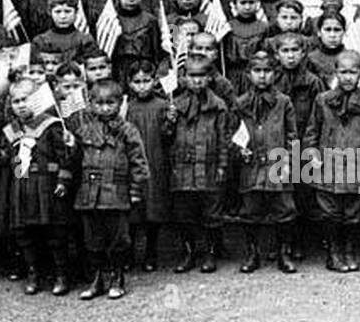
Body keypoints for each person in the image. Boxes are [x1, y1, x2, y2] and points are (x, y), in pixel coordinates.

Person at [67, 79, 148, 300]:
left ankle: (117, 277)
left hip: (116, 194)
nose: (104, 108)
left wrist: (135, 191)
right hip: (89, 195)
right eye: (99, 103)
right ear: (91, 103)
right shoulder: (83, 131)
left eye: (110, 103)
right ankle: (98, 279)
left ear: (120, 103)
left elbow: (139, 163)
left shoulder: (127, 131)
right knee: (93, 241)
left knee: (118, 240)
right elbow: (74, 162)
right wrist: (70, 146)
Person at [303, 49, 360, 272]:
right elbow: (311, 132)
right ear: (335, 72)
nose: (347, 77)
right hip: (328, 164)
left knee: (353, 212)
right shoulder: (323, 100)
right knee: (330, 211)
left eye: (353, 72)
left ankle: (349, 250)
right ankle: (333, 253)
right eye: (343, 72)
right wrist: (312, 156)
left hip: (355, 165)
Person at [0, 76, 73, 296]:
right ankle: (33, 274)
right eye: (16, 101)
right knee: (25, 233)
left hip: (46, 185)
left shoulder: (51, 125)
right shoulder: (10, 130)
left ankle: (61, 275)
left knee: (54, 232)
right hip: (22, 185)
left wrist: (63, 179)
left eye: (26, 99)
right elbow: (8, 159)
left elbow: (65, 157)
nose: (21, 105)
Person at [164, 55, 231, 273]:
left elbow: (223, 139)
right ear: (183, 78)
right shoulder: (175, 105)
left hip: (208, 167)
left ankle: (210, 252)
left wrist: (222, 166)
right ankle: (189, 252)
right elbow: (164, 138)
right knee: (185, 214)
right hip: (182, 170)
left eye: (202, 76)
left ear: (210, 77)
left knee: (211, 214)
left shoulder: (218, 106)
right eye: (192, 76)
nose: (197, 81)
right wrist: (170, 121)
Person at [233, 50, 298, 273]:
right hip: (251, 165)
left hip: (277, 163)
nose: (262, 76)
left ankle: (284, 253)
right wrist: (239, 151)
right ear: (249, 74)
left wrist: (289, 158)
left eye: (267, 71)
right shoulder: (240, 103)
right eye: (257, 71)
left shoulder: (283, 102)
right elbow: (234, 133)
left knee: (284, 209)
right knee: (250, 209)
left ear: (275, 73)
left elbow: (292, 134)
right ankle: (253, 253)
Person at [273, 31, 324, 258]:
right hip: (279, 145)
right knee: (281, 194)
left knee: (303, 194)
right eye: (285, 51)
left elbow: (320, 114)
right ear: (277, 54)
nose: (290, 56)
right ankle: (283, 243)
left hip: (304, 143)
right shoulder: (271, 80)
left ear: (303, 53)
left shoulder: (313, 82)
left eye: (295, 50)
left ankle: (302, 243)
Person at [124, 61, 170, 271]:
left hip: (155, 160)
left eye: (146, 81)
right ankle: (131, 251)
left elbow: (168, 137)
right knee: (134, 209)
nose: (142, 86)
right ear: (129, 83)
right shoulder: (127, 107)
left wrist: (170, 122)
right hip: (132, 163)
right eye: (137, 82)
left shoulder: (162, 105)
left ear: (154, 81)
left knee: (153, 208)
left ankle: (151, 252)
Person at [111, 0, 163, 83]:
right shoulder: (111, 19)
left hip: (143, 74)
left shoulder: (150, 20)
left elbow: (157, 53)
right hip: (118, 73)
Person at [222, 0, 267, 94]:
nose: (247, 7)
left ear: (257, 3)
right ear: (235, 4)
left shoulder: (264, 27)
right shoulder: (227, 27)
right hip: (232, 77)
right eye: (243, 2)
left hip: (256, 76)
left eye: (251, 2)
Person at [31, 0, 96, 66]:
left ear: (76, 12)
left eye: (67, 11)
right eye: (58, 12)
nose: (63, 16)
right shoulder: (41, 41)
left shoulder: (85, 40)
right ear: (50, 12)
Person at [306, 12, 346, 86]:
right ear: (319, 32)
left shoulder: (351, 57)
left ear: (344, 32)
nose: (332, 35)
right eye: (328, 30)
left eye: (337, 30)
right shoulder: (310, 59)